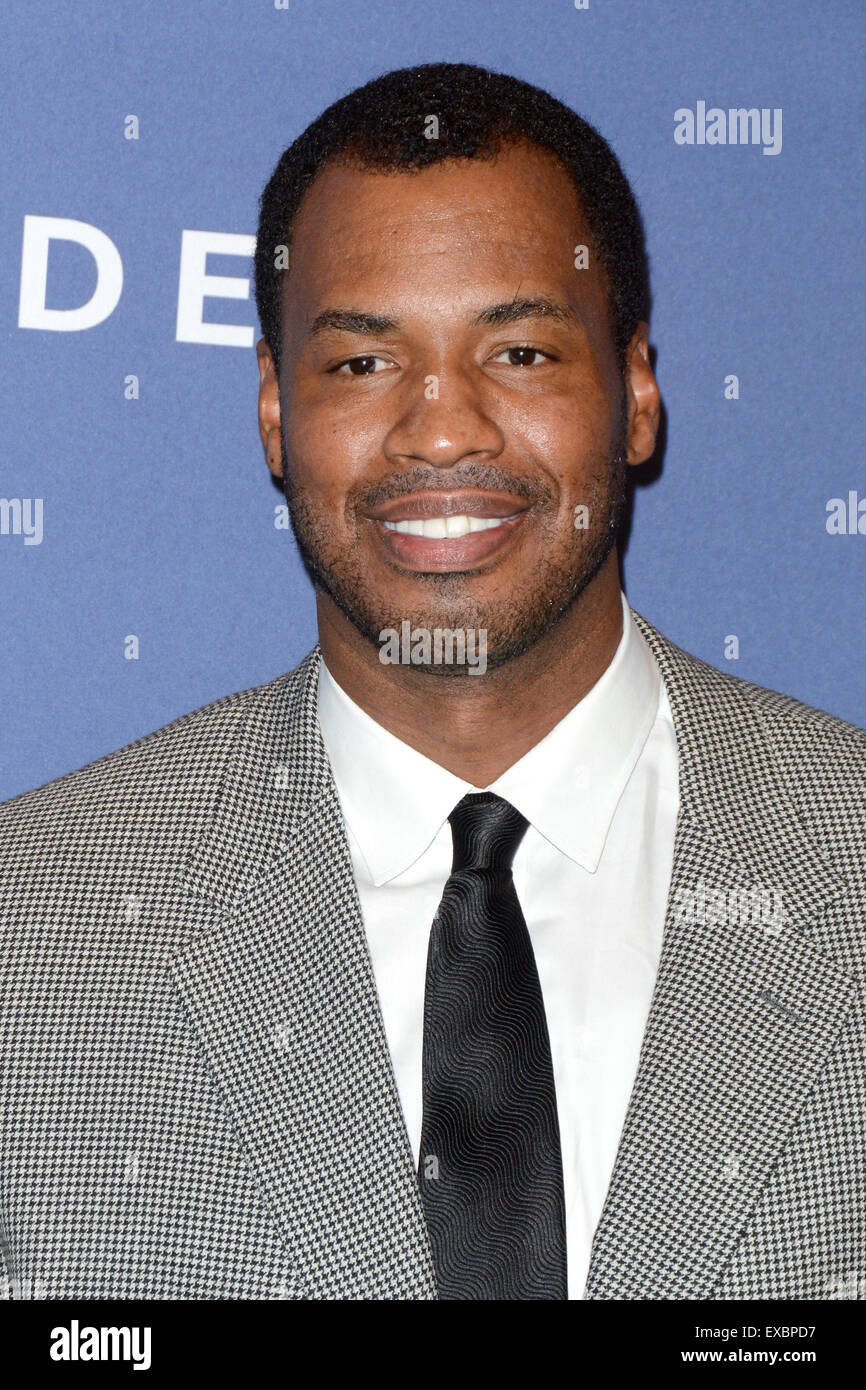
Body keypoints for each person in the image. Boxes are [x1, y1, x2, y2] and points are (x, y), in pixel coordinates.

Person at [1, 63, 863, 1302]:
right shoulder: (33, 938)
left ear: (633, 393)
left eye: (516, 351)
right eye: (359, 366)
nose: (440, 429)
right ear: (270, 412)